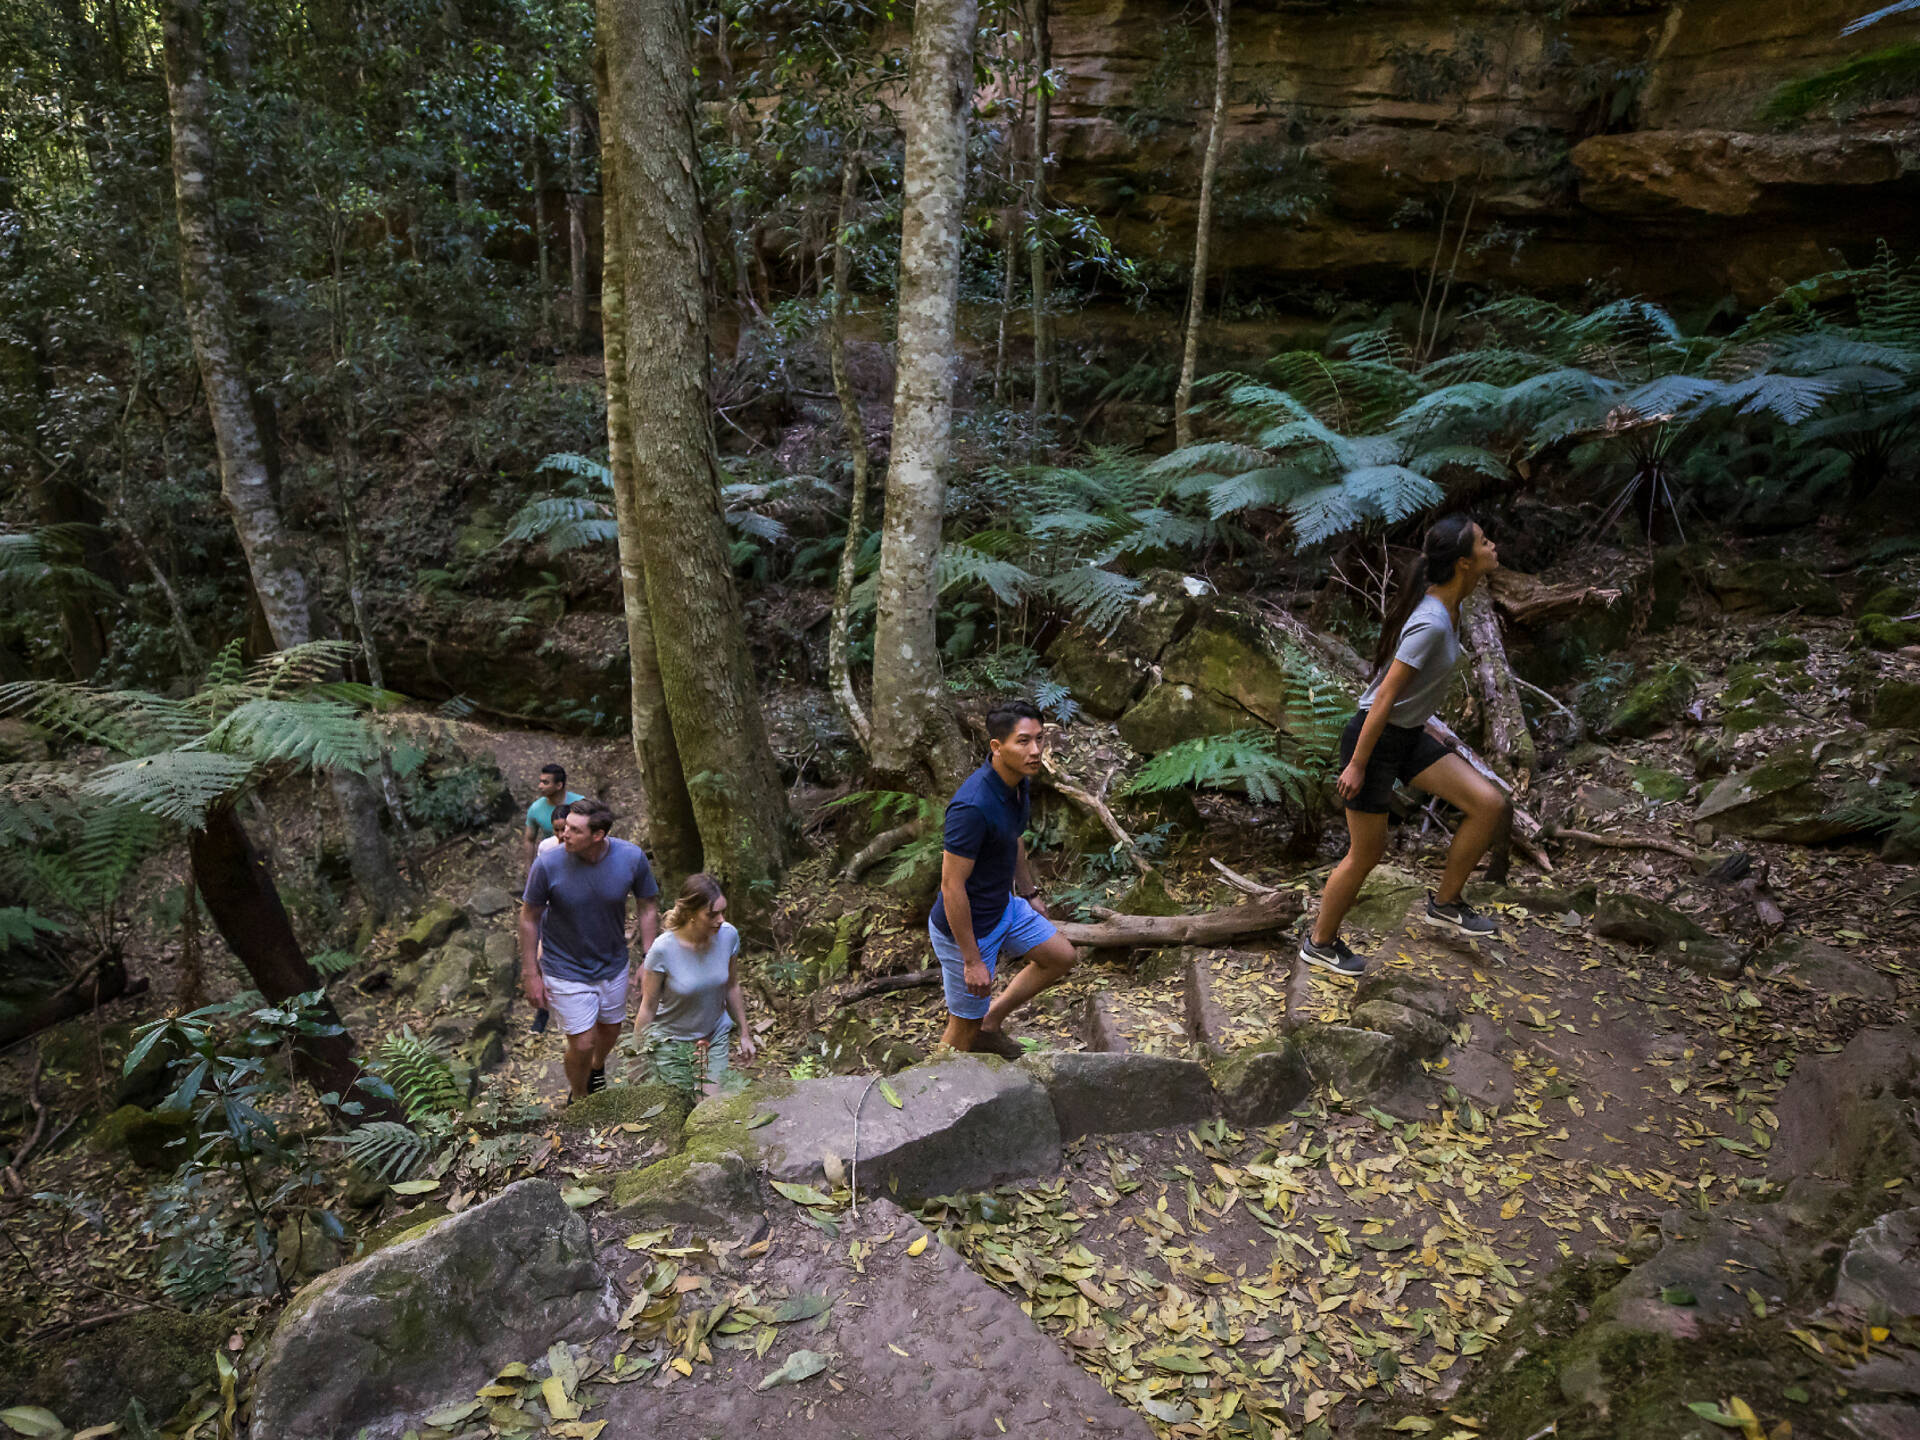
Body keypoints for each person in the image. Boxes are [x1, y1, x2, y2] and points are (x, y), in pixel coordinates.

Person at [1300, 515, 1511, 977]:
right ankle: (1319, 942)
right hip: (1373, 742)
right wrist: (1357, 766)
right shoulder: (1433, 621)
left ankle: (1448, 901)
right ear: (1463, 563)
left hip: (1408, 735)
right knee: (1366, 854)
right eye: (1484, 541)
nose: (1493, 546)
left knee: (1488, 803)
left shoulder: (1451, 607)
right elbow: (1384, 697)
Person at [929, 699, 1077, 1056]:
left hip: (1004, 907)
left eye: (1039, 739)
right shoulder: (972, 806)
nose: (1036, 750)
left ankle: (990, 1022)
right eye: (1023, 741)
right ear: (997, 747)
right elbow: (951, 886)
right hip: (968, 928)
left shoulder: (1018, 781)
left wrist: (1028, 892)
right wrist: (972, 960)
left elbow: (1015, 838)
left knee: (1061, 957)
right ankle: (929, 1096)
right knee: (960, 1035)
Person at [519, 798, 660, 1101]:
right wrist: (531, 972)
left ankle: (597, 1068)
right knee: (582, 1042)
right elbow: (529, 917)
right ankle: (580, 1097)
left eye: (574, 830)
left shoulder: (631, 858)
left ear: (598, 835)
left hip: (612, 962)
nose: (563, 835)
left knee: (609, 1032)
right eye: (564, 826)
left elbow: (648, 905)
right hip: (564, 966)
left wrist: (649, 957)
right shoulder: (547, 863)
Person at [632, 873, 758, 1097]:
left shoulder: (728, 936)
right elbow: (648, 1006)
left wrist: (745, 1034)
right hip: (671, 1041)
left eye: (723, 911)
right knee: (684, 1107)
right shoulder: (662, 950)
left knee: (709, 1107)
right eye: (712, 914)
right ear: (690, 914)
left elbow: (731, 986)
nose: (721, 919)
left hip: (713, 1034)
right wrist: (637, 1051)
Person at [524, 763, 585, 870]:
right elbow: (529, 840)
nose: (540, 786)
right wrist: (530, 869)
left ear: (559, 785)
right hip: (552, 860)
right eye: (540, 781)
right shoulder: (535, 809)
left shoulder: (581, 804)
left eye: (545, 782)